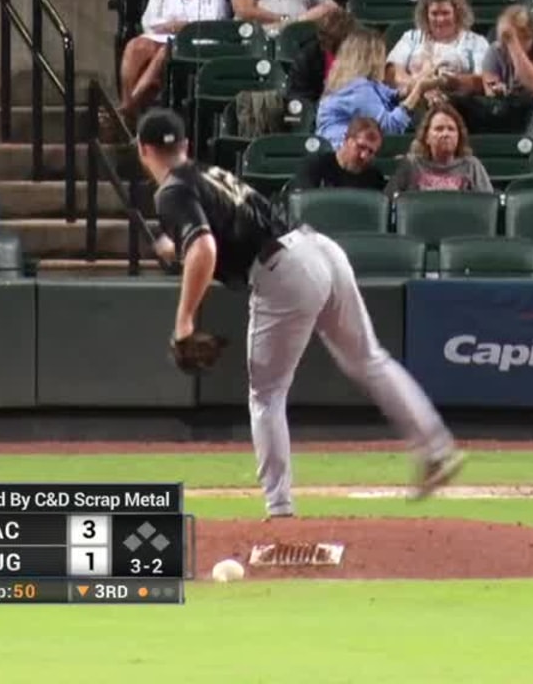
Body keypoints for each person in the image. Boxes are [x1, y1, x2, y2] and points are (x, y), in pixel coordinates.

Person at [137, 108, 464, 516]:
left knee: (267, 394)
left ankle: (279, 508)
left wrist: (184, 320)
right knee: (369, 359)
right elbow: (220, 227)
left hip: (282, 271)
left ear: (142, 150)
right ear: (184, 146)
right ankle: (436, 447)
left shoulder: (169, 191)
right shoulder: (204, 171)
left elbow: (204, 247)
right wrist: (176, 245)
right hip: (317, 247)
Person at [117, 0, 228, 127]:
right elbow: (149, 20)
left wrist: (181, 27)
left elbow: (217, 17)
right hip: (161, 36)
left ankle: (128, 108)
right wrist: (172, 26)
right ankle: (128, 103)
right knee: (134, 46)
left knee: (165, 51)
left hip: (199, 42)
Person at [384, 103, 494, 194]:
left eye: (451, 129)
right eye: (439, 129)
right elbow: (389, 199)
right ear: (426, 137)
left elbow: (488, 205)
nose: (446, 134)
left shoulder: (472, 165)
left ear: (459, 136)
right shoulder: (411, 164)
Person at [293, 116, 388, 191]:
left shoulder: (374, 178)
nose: (364, 156)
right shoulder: (315, 166)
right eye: (360, 147)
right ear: (346, 140)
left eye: (371, 152)